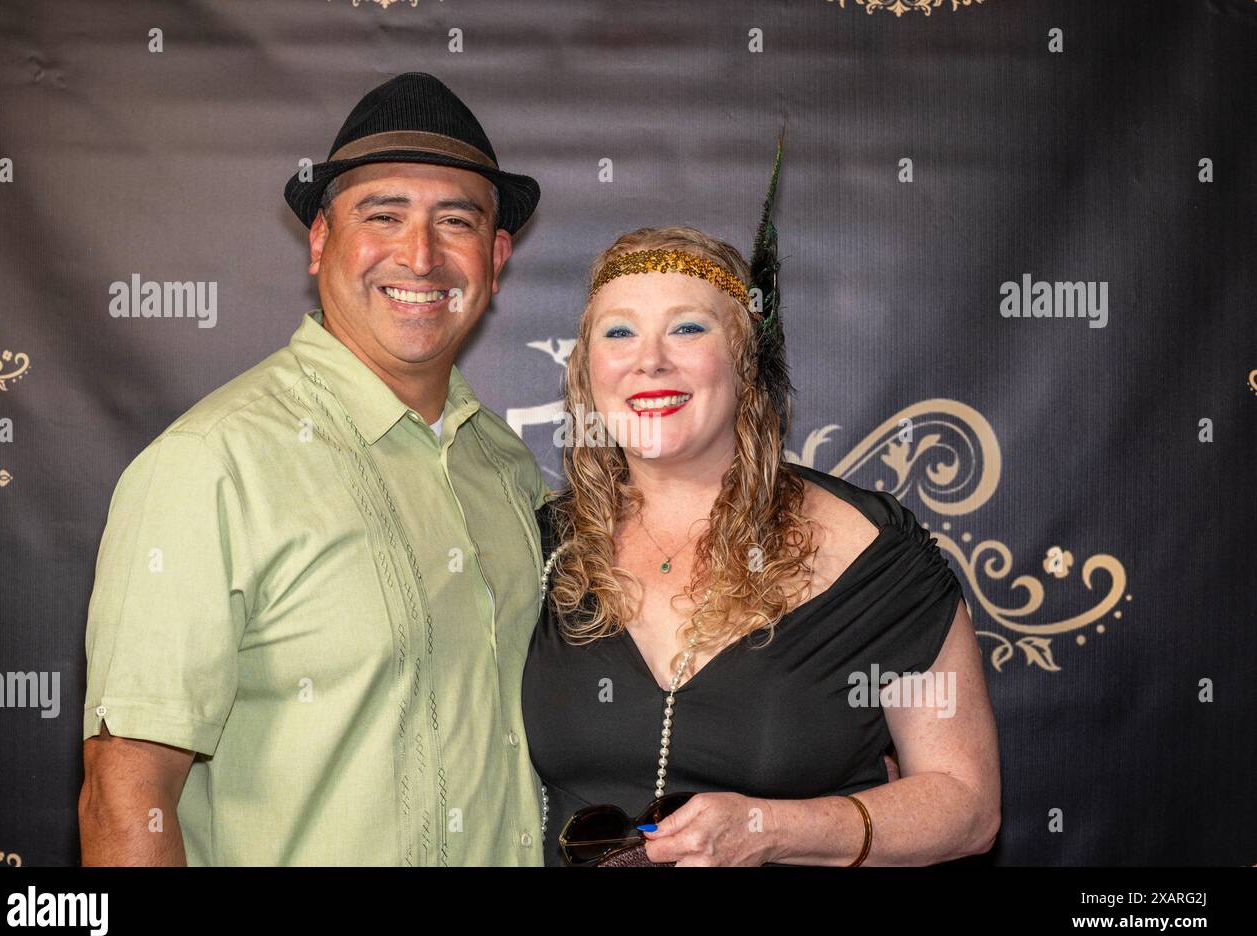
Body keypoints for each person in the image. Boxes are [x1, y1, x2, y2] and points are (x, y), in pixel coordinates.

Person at [79, 72, 552, 865]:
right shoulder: (211, 465)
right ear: (321, 243)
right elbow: (125, 794)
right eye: (383, 215)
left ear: (496, 257)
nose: (421, 254)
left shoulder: (505, 468)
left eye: (457, 221)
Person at [522, 151, 1001, 866]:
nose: (649, 359)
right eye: (618, 332)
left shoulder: (873, 554)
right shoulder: (540, 548)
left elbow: (966, 806)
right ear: (587, 373)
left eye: (688, 328)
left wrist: (770, 828)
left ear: (747, 366)